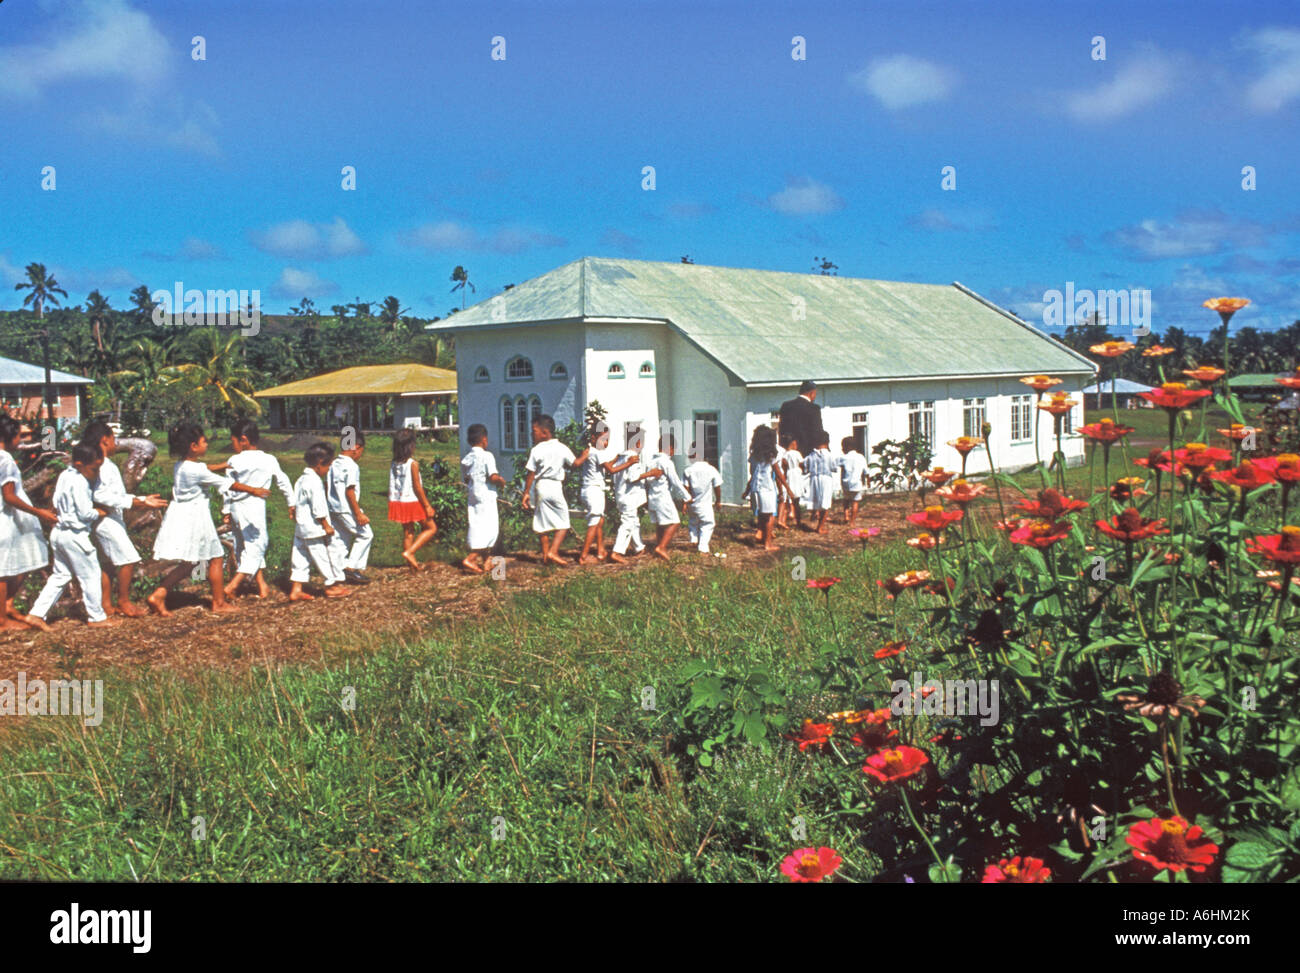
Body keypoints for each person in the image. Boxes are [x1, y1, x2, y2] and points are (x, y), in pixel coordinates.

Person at [147, 422, 269, 617]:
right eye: (204, 442)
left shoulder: (182, 465)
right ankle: (218, 602)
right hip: (196, 517)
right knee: (216, 556)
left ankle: (158, 594)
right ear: (193, 446)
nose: (207, 445)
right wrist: (253, 490)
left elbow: (205, 469)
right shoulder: (197, 471)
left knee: (189, 563)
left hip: (182, 515)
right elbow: (227, 483)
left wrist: (223, 465)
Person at [23, 443, 120, 629]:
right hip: (75, 535)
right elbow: (84, 513)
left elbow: (56, 501)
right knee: (91, 575)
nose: (96, 473)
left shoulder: (65, 476)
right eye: (94, 469)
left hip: (59, 532)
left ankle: (36, 613)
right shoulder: (81, 482)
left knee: (60, 575)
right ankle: (97, 617)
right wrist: (99, 512)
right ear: (79, 463)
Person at [79, 420, 167, 618]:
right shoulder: (99, 464)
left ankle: (106, 605)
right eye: (113, 439)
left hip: (110, 517)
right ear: (104, 440)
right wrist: (138, 502)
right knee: (128, 559)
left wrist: (140, 500)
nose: (115, 444)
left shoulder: (104, 463)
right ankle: (124, 601)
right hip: (106, 518)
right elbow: (101, 496)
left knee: (108, 564)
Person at [217, 419, 293, 600]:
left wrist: (226, 511)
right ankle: (233, 585)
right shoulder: (268, 459)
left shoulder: (234, 460)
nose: (232, 445)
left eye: (233, 440)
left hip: (236, 508)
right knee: (257, 545)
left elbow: (227, 487)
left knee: (244, 546)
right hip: (254, 508)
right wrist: (291, 503)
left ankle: (262, 585)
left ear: (243, 439)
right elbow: (283, 482)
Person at [0, 416, 55, 630]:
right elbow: (9, 496)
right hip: (5, 516)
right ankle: (2, 622)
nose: (21, 441)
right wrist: (38, 511)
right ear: (10, 436)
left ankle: (8, 607)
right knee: (3, 571)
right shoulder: (5, 460)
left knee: (18, 559)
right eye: (19, 436)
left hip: (8, 517)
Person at [521, 414, 588, 566]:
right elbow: (575, 464)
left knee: (541, 521)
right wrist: (584, 455)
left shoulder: (536, 450)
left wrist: (526, 493)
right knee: (563, 521)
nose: (532, 434)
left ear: (545, 433)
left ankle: (546, 555)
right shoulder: (561, 447)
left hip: (541, 487)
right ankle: (553, 551)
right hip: (555, 486)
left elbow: (530, 473)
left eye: (534, 431)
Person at [289, 442, 352, 601]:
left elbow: (295, 502)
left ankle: (296, 588)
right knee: (324, 557)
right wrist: (326, 525)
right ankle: (331, 586)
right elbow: (318, 508)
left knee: (300, 557)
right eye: (329, 465)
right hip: (314, 528)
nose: (329, 469)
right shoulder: (314, 482)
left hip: (301, 527)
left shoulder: (301, 480)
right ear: (319, 464)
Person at [327, 430, 373, 584]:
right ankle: (352, 568)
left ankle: (338, 569)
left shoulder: (333, 463)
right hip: (346, 508)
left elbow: (327, 485)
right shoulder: (352, 466)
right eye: (361, 451)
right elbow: (350, 492)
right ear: (356, 447)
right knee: (366, 534)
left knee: (342, 538)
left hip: (334, 508)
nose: (360, 455)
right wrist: (358, 513)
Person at [459, 423, 506, 574]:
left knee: (478, 526)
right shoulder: (487, 456)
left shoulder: (467, 458)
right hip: (486, 496)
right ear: (484, 440)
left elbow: (466, 478)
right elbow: (492, 477)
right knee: (490, 529)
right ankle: (471, 559)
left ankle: (487, 561)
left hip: (473, 495)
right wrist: (501, 481)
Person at [636, 431, 691, 561]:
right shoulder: (666, 462)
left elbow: (646, 482)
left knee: (660, 524)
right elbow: (676, 482)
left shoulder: (650, 462)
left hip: (652, 497)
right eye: (673, 449)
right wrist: (687, 497)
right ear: (669, 448)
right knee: (675, 522)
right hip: (663, 497)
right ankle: (661, 547)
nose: (673, 452)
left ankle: (658, 546)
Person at [388, 427, 437, 572]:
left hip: (398, 500)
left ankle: (411, 565)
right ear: (411, 446)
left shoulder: (394, 462)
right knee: (431, 528)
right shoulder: (412, 464)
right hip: (412, 501)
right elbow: (417, 488)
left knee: (408, 532)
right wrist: (427, 505)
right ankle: (410, 552)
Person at [578, 422, 619, 565]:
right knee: (594, 522)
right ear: (594, 438)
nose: (605, 442)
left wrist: (615, 460)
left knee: (599, 520)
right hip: (593, 490)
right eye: (603, 439)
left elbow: (607, 466)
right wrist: (629, 463)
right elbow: (611, 470)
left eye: (607, 439)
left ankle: (601, 550)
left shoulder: (591, 452)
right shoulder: (597, 452)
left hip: (591, 489)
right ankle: (583, 556)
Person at [744, 424, 789, 552]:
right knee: (769, 516)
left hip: (755, 490)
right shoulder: (771, 456)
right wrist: (785, 490)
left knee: (762, 515)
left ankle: (762, 536)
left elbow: (752, 475)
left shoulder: (753, 457)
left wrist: (746, 491)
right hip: (767, 489)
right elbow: (779, 475)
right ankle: (768, 544)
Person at [607, 427, 647, 564]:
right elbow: (634, 477)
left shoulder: (620, 457)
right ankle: (617, 551)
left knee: (634, 522)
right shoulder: (633, 458)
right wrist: (650, 474)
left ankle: (639, 547)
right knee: (628, 523)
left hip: (621, 494)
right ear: (638, 443)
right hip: (629, 496)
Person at [682, 451, 723, 555]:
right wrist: (718, 500)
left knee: (693, 522)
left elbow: (685, 489)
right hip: (705, 504)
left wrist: (685, 504)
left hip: (692, 503)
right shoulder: (711, 469)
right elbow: (717, 487)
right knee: (708, 524)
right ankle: (703, 547)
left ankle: (694, 540)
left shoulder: (688, 470)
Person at [777, 380, 825, 468]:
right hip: (807, 455)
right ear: (812, 393)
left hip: (788, 455)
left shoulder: (786, 406)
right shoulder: (814, 409)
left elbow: (781, 430)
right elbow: (817, 432)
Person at [802, 432, 837, 533]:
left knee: (816, 498)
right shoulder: (829, 455)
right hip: (826, 478)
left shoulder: (811, 455)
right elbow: (834, 468)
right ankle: (820, 527)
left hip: (814, 478)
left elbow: (805, 468)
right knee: (825, 502)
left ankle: (815, 513)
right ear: (827, 442)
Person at [838, 436, 869, 526]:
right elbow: (866, 471)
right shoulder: (861, 457)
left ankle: (846, 517)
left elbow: (836, 465)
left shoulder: (843, 458)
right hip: (856, 483)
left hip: (846, 483)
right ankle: (852, 522)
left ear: (847, 447)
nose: (842, 449)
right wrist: (868, 481)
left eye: (843, 446)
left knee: (846, 500)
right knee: (855, 502)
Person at [777, 435, 805, 530]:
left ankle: (789, 513)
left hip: (789, 473)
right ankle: (797, 518)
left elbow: (784, 464)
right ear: (792, 443)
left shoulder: (785, 454)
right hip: (796, 473)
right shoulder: (797, 453)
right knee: (796, 497)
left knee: (789, 496)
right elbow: (802, 463)